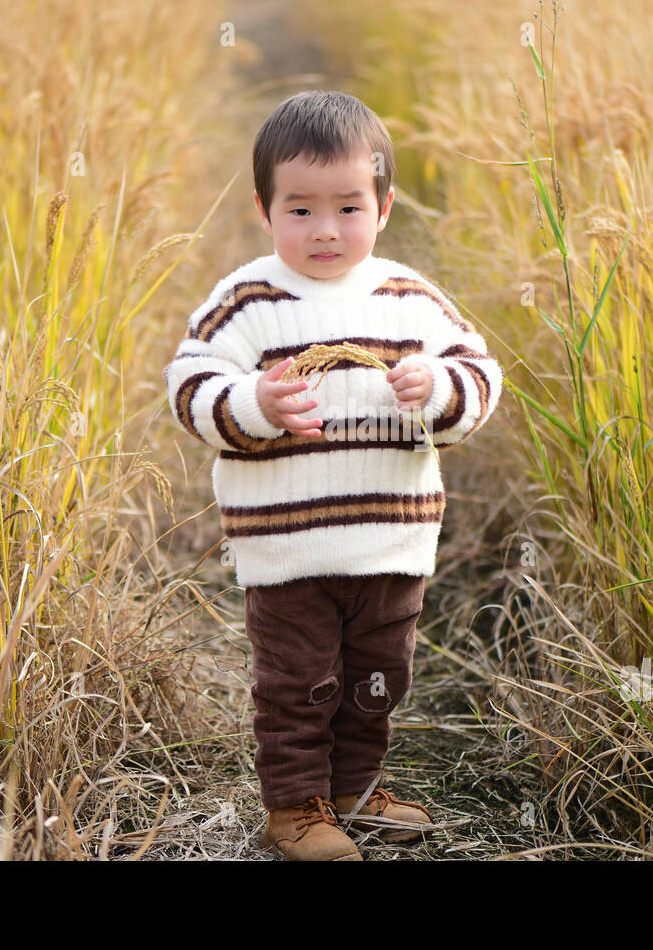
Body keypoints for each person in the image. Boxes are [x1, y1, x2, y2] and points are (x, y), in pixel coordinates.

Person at [165, 90, 502, 860]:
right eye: (301, 209)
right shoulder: (246, 302)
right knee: (298, 683)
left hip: (391, 543)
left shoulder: (412, 300)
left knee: (380, 676)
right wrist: (256, 402)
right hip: (288, 550)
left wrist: (440, 389)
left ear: (384, 205)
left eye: (348, 207)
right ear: (264, 208)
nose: (325, 229)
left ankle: (355, 785)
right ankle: (294, 806)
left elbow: (480, 375)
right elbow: (190, 387)